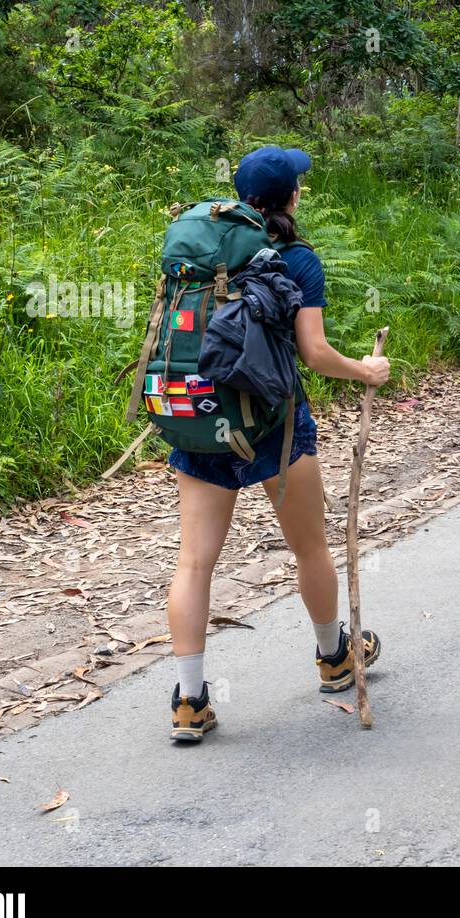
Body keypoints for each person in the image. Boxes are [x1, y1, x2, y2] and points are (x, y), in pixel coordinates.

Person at [168, 146, 390, 743]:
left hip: (201, 415)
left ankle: (189, 701)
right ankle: (334, 657)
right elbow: (314, 355)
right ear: (291, 197)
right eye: (299, 186)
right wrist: (366, 371)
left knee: (194, 561)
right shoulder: (297, 259)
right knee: (309, 547)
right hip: (274, 423)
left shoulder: (198, 254)